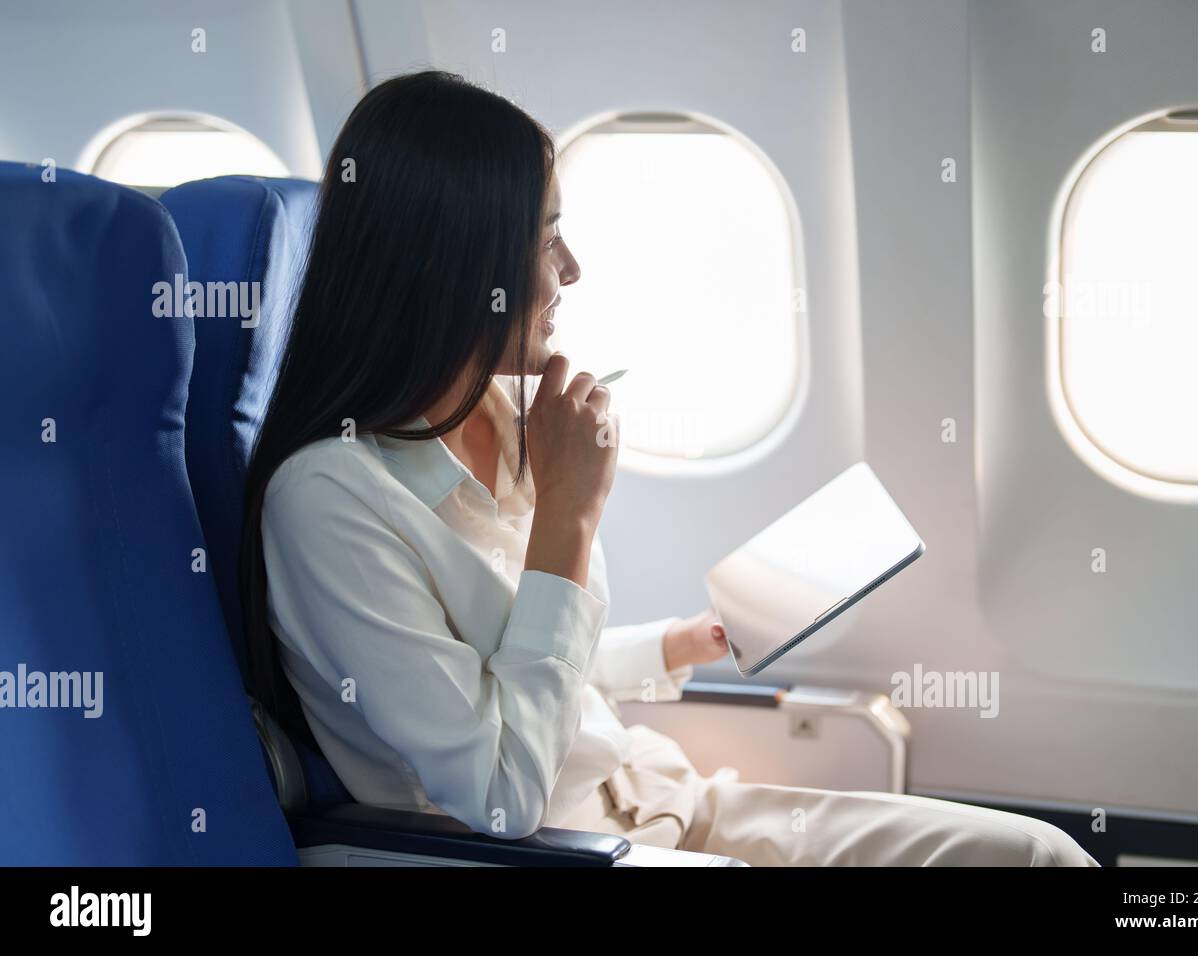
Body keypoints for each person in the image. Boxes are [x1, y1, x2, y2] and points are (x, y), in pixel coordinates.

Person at [240, 69, 1098, 867]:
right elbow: (500, 791)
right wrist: (568, 519)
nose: (570, 270)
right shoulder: (328, 500)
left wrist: (671, 645)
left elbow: (517, 671)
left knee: (1035, 855)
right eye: (545, 240)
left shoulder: (502, 418)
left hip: (660, 795)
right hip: (573, 855)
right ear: (447, 262)